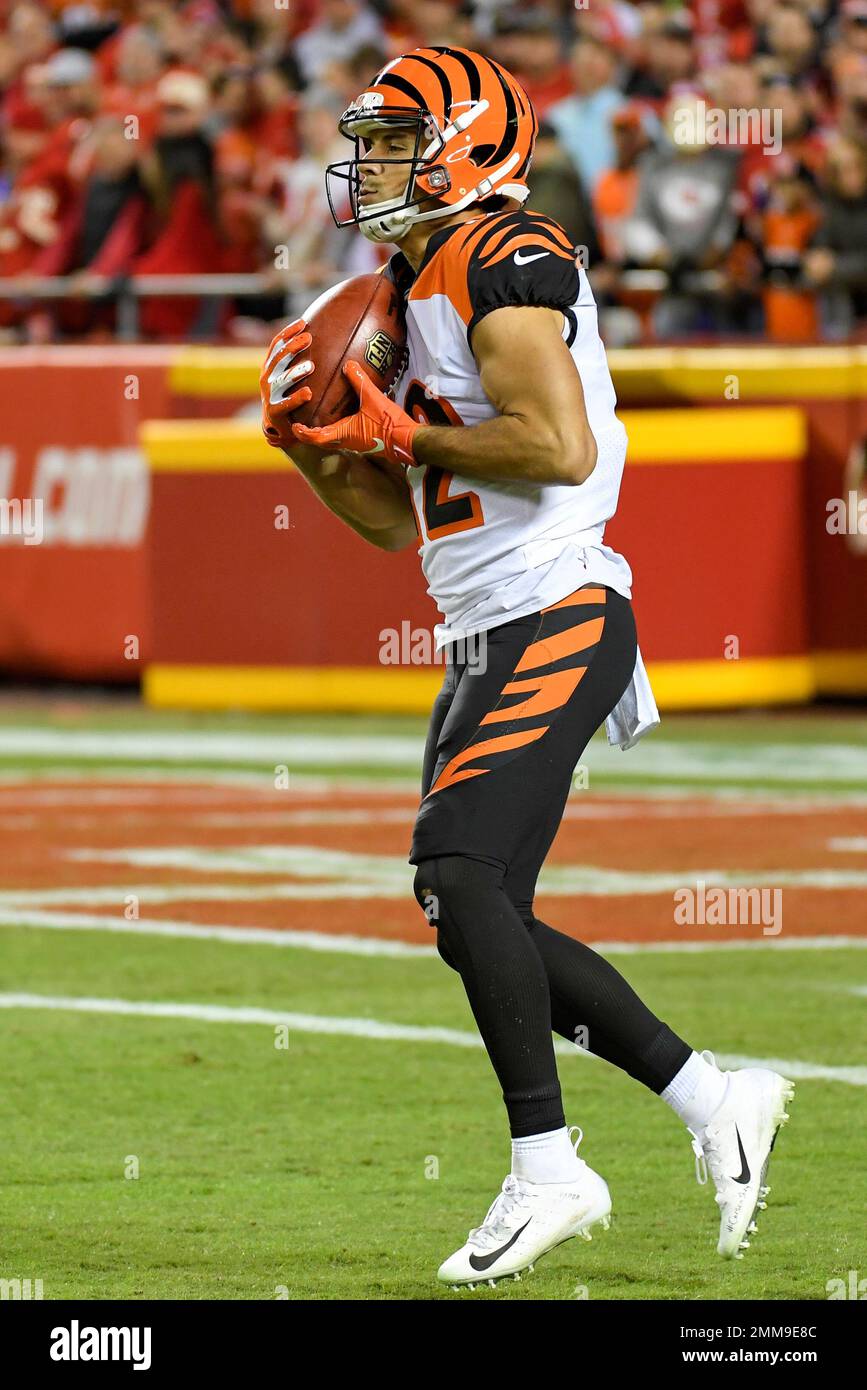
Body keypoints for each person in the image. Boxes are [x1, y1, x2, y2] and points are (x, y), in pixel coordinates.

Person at [259, 45, 795, 1288]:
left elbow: (553, 444)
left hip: (555, 605)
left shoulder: (507, 251)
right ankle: (714, 1097)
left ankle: (550, 1165)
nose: (371, 165)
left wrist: (400, 424)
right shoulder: (404, 278)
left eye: (394, 141)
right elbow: (399, 519)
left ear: (462, 147)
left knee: (455, 863)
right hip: (481, 624)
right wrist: (316, 446)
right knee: (465, 905)